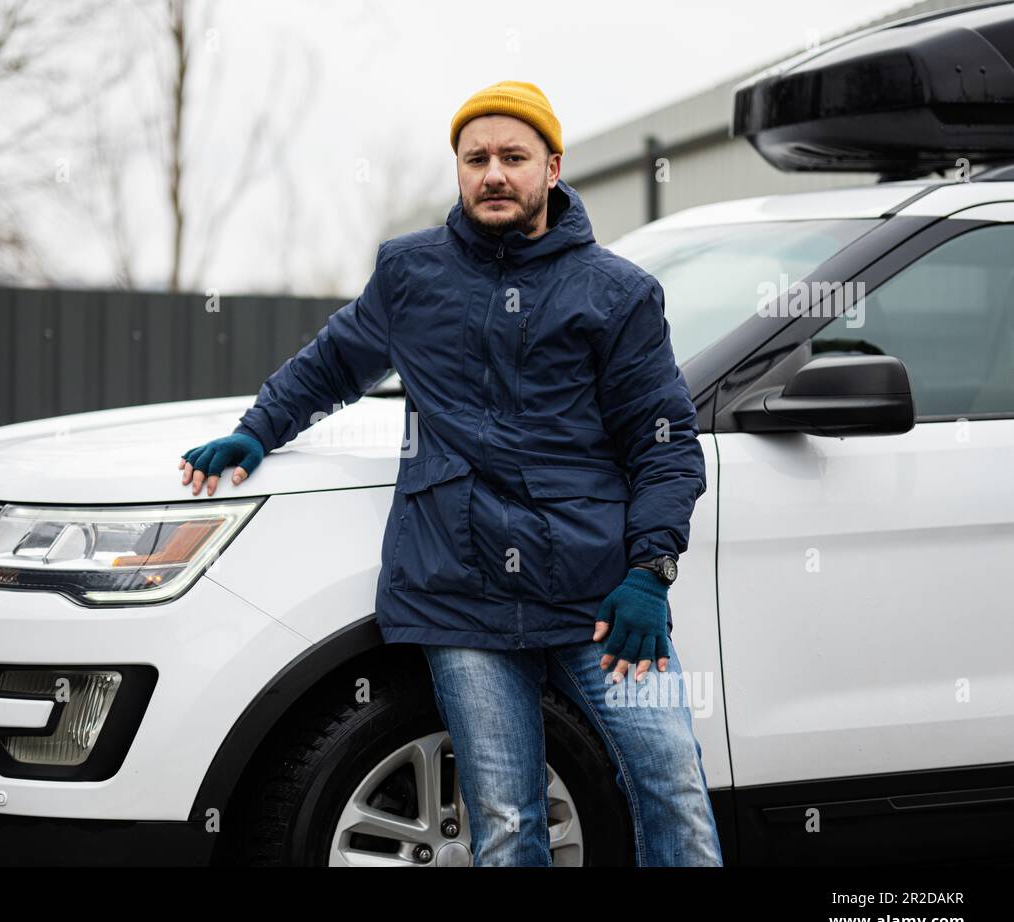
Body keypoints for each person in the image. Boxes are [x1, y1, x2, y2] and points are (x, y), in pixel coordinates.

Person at [179, 80, 721, 866]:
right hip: (458, 591)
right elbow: (334, 363)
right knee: (504, 820)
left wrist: (649, 570)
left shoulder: (619, 293)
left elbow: (664, 441)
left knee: (672, 784)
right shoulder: (410, 275)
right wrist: (255, 432)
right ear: (459, 170)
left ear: (553, 167)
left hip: (599, 594)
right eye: (476, 159)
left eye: (513, 156)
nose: (493, 174)